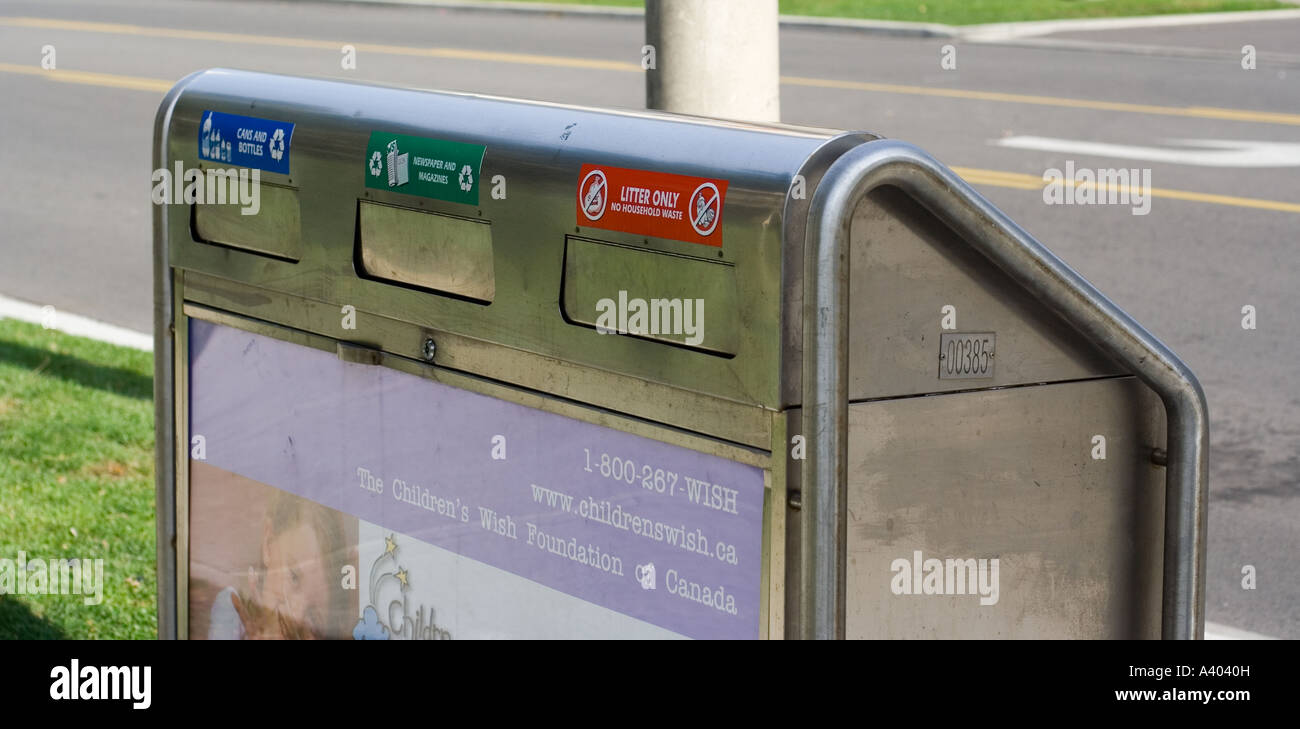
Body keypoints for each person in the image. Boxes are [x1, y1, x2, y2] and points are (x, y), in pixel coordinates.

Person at [208, 489, 350, 639]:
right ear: (268, 543)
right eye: (294, 577)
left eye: (313, 617)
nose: (296, 615)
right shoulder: (232, 612)